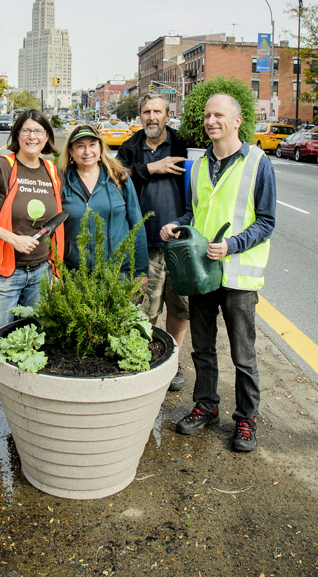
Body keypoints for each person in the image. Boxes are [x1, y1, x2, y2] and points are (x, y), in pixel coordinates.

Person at [160, 93, 276, 452]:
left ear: (237, 120)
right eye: (208, 115)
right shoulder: (198, 166)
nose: (211, 121)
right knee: (203, 348)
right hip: (201, 274)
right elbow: (194, 215)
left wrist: (233, 245)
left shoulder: (258, 162)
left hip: (238, 274)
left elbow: (267, 221)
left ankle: (246, 419)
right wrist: (175, 226)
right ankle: (206, 407)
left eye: (219, 115)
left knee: (243, 354)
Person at [0, 109, 63, 456]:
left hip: (38, 270)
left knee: (31, 342)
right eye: (26, 130)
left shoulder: (51, 169)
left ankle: (24, 412)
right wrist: (11, 238)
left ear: (47, 137)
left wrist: (52, 261)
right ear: (17, 134)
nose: (32, 136)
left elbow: (53, 221)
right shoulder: (1, 167)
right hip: (5, 269)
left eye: (38, 131)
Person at [117, 92, 189, 391]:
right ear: (140, 115)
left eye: (157, 111)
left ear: (167, 115)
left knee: (181, 307)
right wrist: (150, 168)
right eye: (146, 112)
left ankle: (173, 358)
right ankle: (147, 352)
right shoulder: (130, 147)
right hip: (145, 241)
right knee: (147, 306)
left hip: (182, 241)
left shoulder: (183, 143)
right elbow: (116, 179)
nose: (151, 117)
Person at [59, 124, 148, 279]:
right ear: (71, 151)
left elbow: (137, 225)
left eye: (92, 144)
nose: (87, 151)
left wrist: (140, 272)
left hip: (118, 275)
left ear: (100, 148)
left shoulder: (119, 178)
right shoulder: (61, 182)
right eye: (80, 146)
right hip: (75, 277)